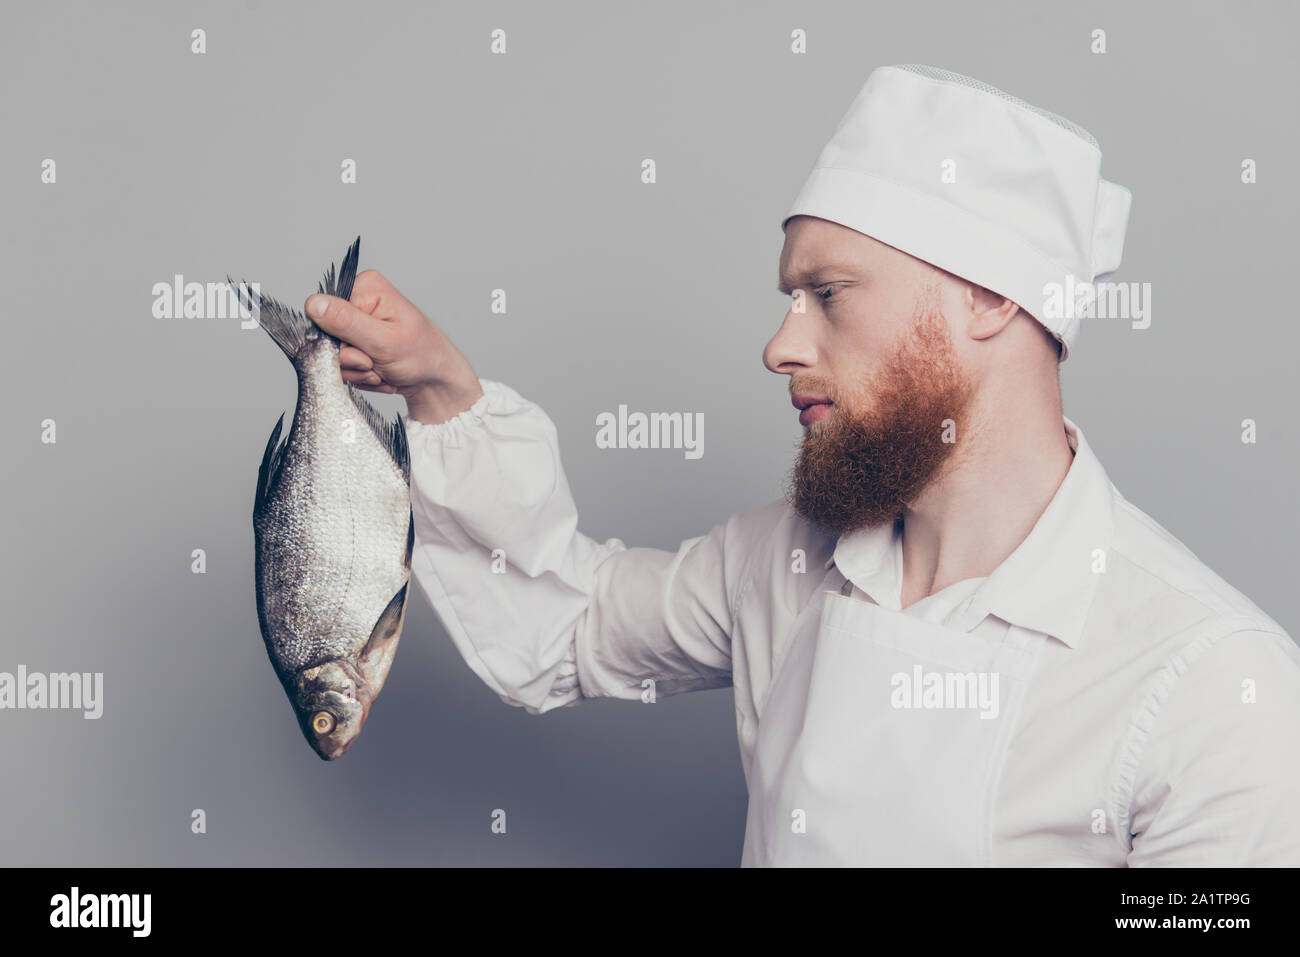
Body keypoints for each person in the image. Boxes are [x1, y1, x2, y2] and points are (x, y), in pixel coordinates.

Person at [302, 65, 1300, 866]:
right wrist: (440, 391)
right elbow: (565, 626)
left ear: (993, 297)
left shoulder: (1215, 692)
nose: (779, 346)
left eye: (827, 293)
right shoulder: (785, 562)